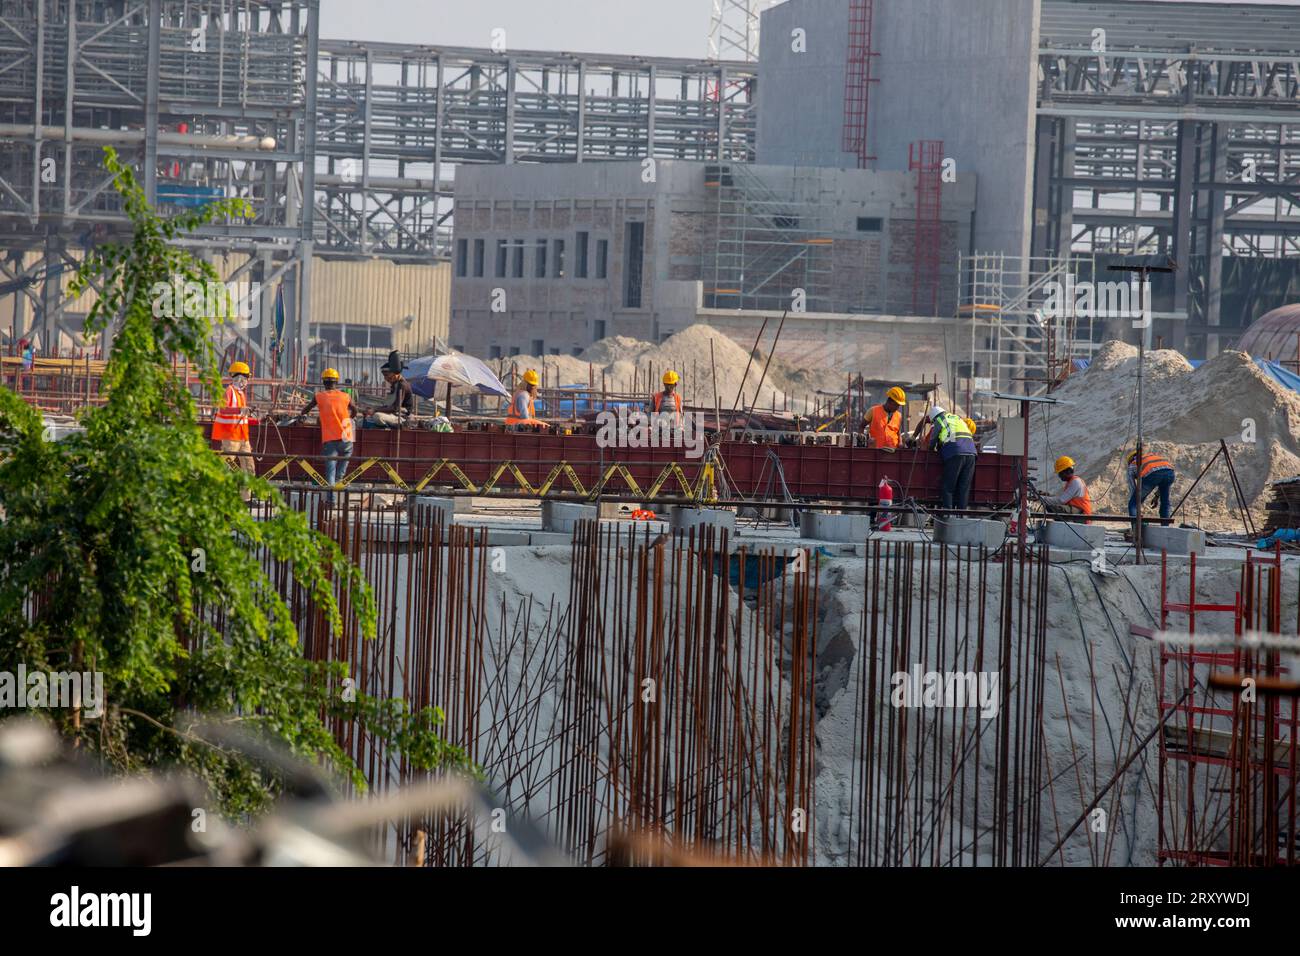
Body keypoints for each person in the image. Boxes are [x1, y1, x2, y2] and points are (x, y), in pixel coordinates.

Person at [300, 368, 357, 506]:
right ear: (336, 381)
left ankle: (332, 500)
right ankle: (339, 480)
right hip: (347, 437)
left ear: (323, 382)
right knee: (343, 461)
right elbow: (355, 410)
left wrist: (303, 416)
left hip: (330, 439)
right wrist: (349, 418)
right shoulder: (345, 396)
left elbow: (305, 410)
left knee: (330, 471)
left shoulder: (319, 396)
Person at [211, 360, 256, 501]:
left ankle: (245, 498)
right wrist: (240, 409)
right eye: (246, 378)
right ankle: (219, 496)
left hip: (243, 437)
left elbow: (240, 415)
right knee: (226, 467)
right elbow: (223, 408)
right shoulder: (229, 391)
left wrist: (247, 413)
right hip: (231, 437)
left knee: (249, 468)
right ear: (239, 377)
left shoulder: (241, 394)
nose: (246, 381)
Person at [923, 406, 977, 512]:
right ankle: (961, 516)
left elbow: (932, 441)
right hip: (971, 453)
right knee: (963, 488)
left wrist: (930, 449)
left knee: (948, 486)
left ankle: (948, 514)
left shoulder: (939, 420)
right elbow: (953, 436)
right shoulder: (956, 418)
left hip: (955, 453)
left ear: (934, 418)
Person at [1041, 455, 1094, 522]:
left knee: (1052, 507)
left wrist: (1041, 498)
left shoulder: (1075, 482)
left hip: (1082, 514)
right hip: (1078, 512)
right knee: (1052, 506)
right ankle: (1065, 524)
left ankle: (1066, 524)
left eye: (1060, 473)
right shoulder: (1071, 482)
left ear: (1067, 471)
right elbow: (1062, 498)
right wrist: (1047, 496)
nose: (1059, 476)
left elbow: (1061, 500)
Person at [364, 358, 414, 429]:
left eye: (387, 375)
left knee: (377, 416)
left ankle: (388, 428)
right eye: (384, 376)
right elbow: (389, 405)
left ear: (395, 373)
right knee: (364, 420)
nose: (385, 378)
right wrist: (372, 409)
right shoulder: (395, 385)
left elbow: (396, 408)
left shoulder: (402, 385)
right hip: (392, 415)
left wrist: (375, 410)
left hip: (401, 418)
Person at [1128, 449, 1176, 521]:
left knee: (1133, 504)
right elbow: (1162, 475)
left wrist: (1136, 500)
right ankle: (1165, 527)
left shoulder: (1132, 464)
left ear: (1130, 459)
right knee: (1165, 502)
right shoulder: (1151, 456)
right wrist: (1156, 496)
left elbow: (1132, 486)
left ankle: (1136, 528)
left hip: (1152, 474)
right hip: (1170, 472)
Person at [865, 386, 905, 451]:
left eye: (899, 406)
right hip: (876, 451)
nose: (897, 408)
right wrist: (862, 439)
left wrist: (900, 443)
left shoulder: (899, 415)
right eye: (896, 405)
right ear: (889, 401)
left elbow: (898, 432)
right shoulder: (873, 411)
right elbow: (861, 426)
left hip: (893, 451)